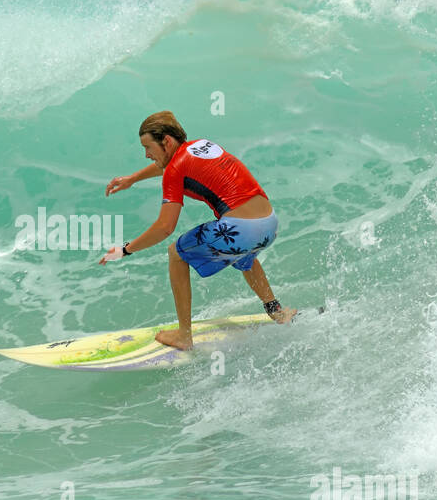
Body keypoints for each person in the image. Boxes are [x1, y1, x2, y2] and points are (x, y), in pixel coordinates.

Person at [99, 111, 296, 350]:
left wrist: (125, 250)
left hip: (241, 229)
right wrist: (132, 179)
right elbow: (168, 165)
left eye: (148, 147)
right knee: (244, 257)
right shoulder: (200, 146)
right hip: (268, 224)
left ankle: (184, 335)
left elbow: (165, 227)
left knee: (176, 253)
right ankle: (277, 311)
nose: (146, 154)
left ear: (166, 142)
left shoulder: (175, 170)